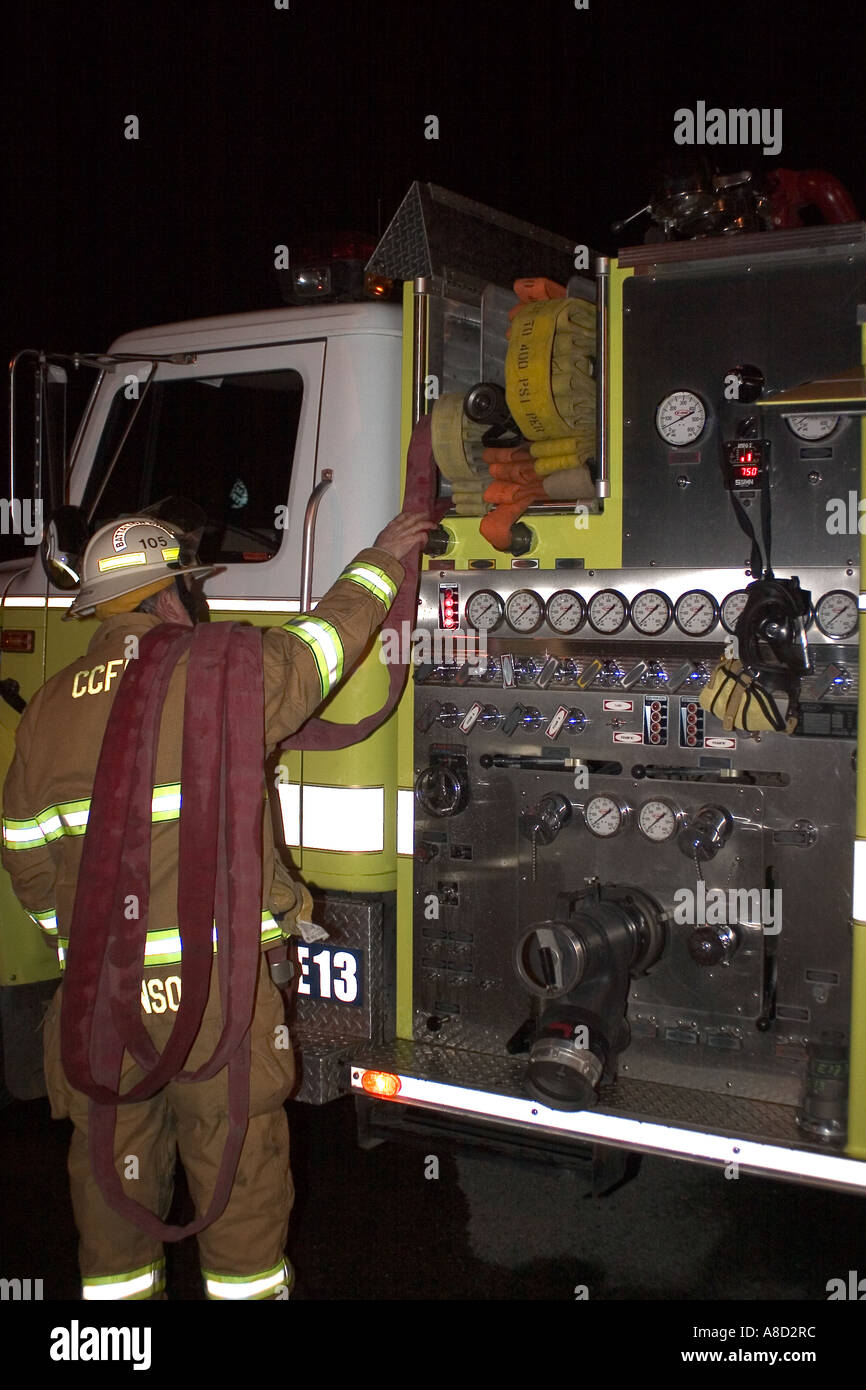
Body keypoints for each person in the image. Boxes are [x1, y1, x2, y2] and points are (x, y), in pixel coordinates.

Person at [1, 504, 432, 1300]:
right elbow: (326, 645)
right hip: (216, 1001)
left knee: (111, 1191)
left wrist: (85, 947)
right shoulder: (226, 672)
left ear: (102, 609)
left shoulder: (50, 709)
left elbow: (25, 856)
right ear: (173, 595)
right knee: (239, 1184)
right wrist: (383, 558)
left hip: (100, 1005)